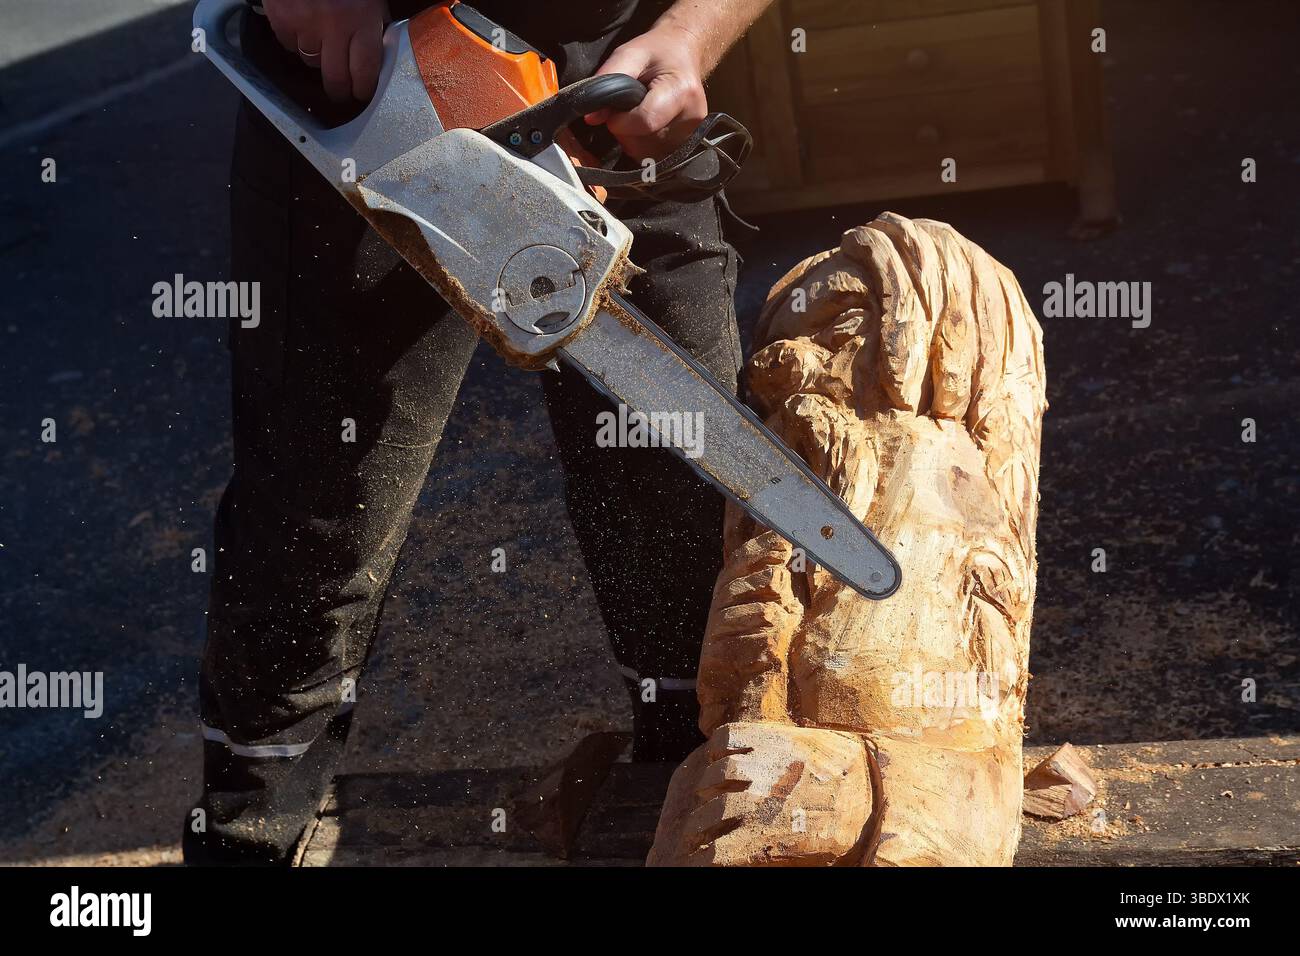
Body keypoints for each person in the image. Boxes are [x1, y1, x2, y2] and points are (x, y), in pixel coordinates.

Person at [185, 0, 774, 865]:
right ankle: (250, 834)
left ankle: (692, 799)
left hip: (614, 77)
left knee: (685, 494)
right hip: (372, 67)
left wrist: (693, 32)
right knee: (319, 514)